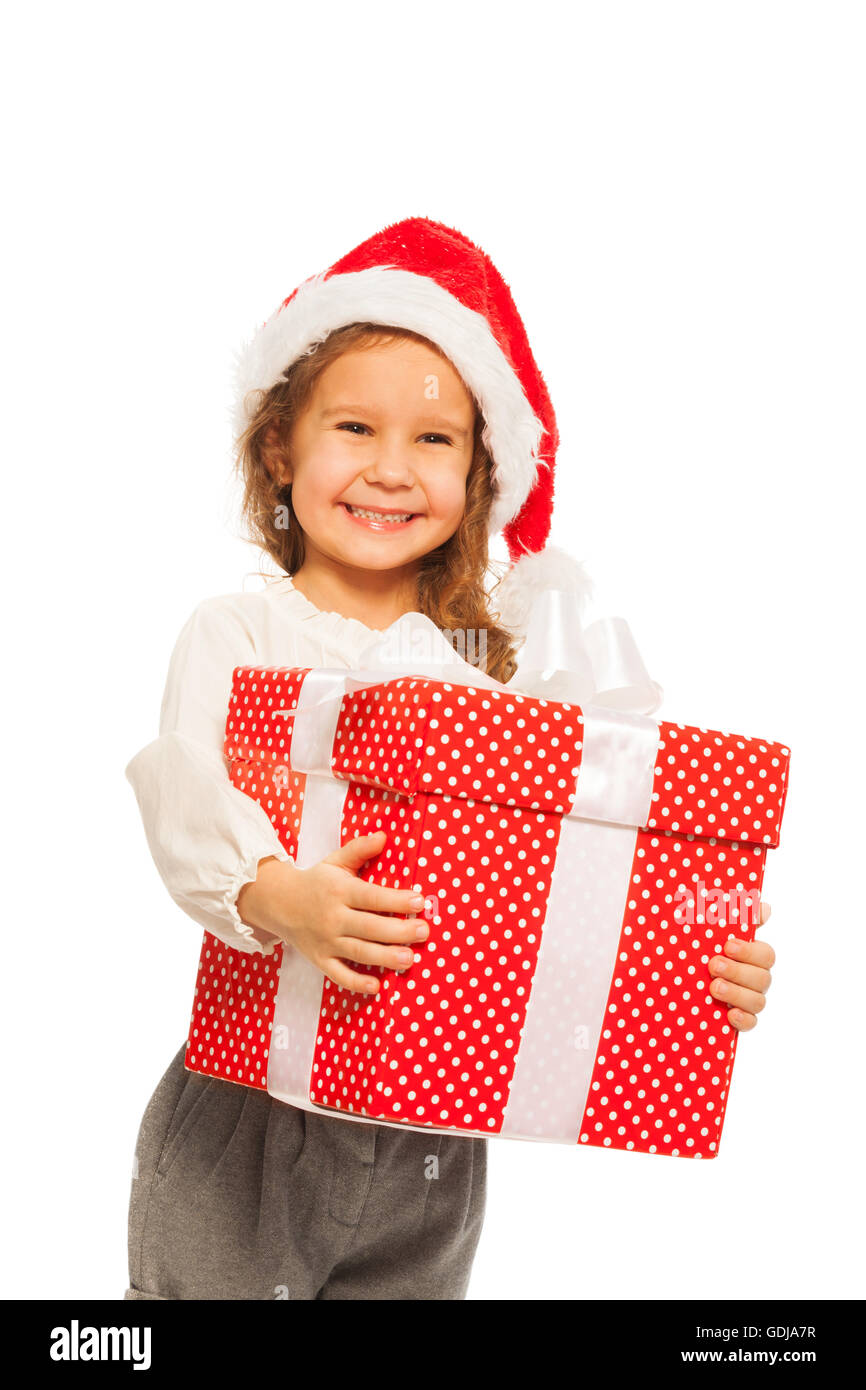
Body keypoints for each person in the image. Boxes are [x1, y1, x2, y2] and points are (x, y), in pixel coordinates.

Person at [123, 216, 776, 1300]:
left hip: (434, 1137)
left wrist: (697, 963)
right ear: (281, 443)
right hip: (251, 1118)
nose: (389, 468)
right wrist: (274, 892)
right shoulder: (240, 634)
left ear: (480, 470)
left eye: (432, 440)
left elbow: (588, 866)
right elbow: (181, 785)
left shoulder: (496, 676)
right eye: (352, 428)